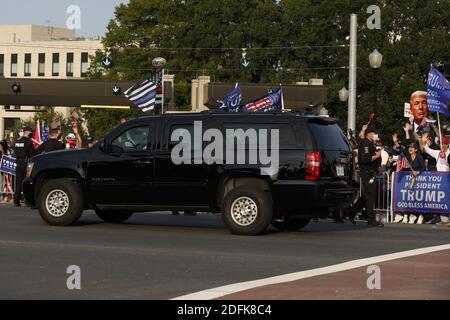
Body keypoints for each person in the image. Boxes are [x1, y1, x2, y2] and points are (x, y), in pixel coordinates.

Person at [357, 125, 384, 227]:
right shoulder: (365, 143)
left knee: (368, 195)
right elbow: (365, 159)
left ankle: (351, 211)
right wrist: (376, 156)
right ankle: (371, 219)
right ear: (369, 133)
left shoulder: (370, 143)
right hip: (367, 172)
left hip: (372, 172)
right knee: (370, 196)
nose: (374, 135)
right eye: (373, 133)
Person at [393, 142, 426, 224]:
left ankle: (418, 215)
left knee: (417, 197)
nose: (410, 148)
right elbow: (402, 150)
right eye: (409, 147)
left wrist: (418, 172)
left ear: (416, 149)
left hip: (419, 180)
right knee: (408, 197)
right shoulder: (407, 156)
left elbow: (423, 167)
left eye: (412, 147)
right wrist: (395, 142)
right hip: (409, 180)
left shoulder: (419, 157)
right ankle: (407, 214)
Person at [13, 126, 36, 207]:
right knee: (26, 182)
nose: (32, 133)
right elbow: (33, 154)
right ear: (27, 132)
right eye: (31, 132)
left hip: (18, 163)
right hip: (25, 163)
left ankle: (16, 201)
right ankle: (27, 200)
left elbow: (14, 152)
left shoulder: (17, 142)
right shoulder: (29, 142)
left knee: (18, 182)